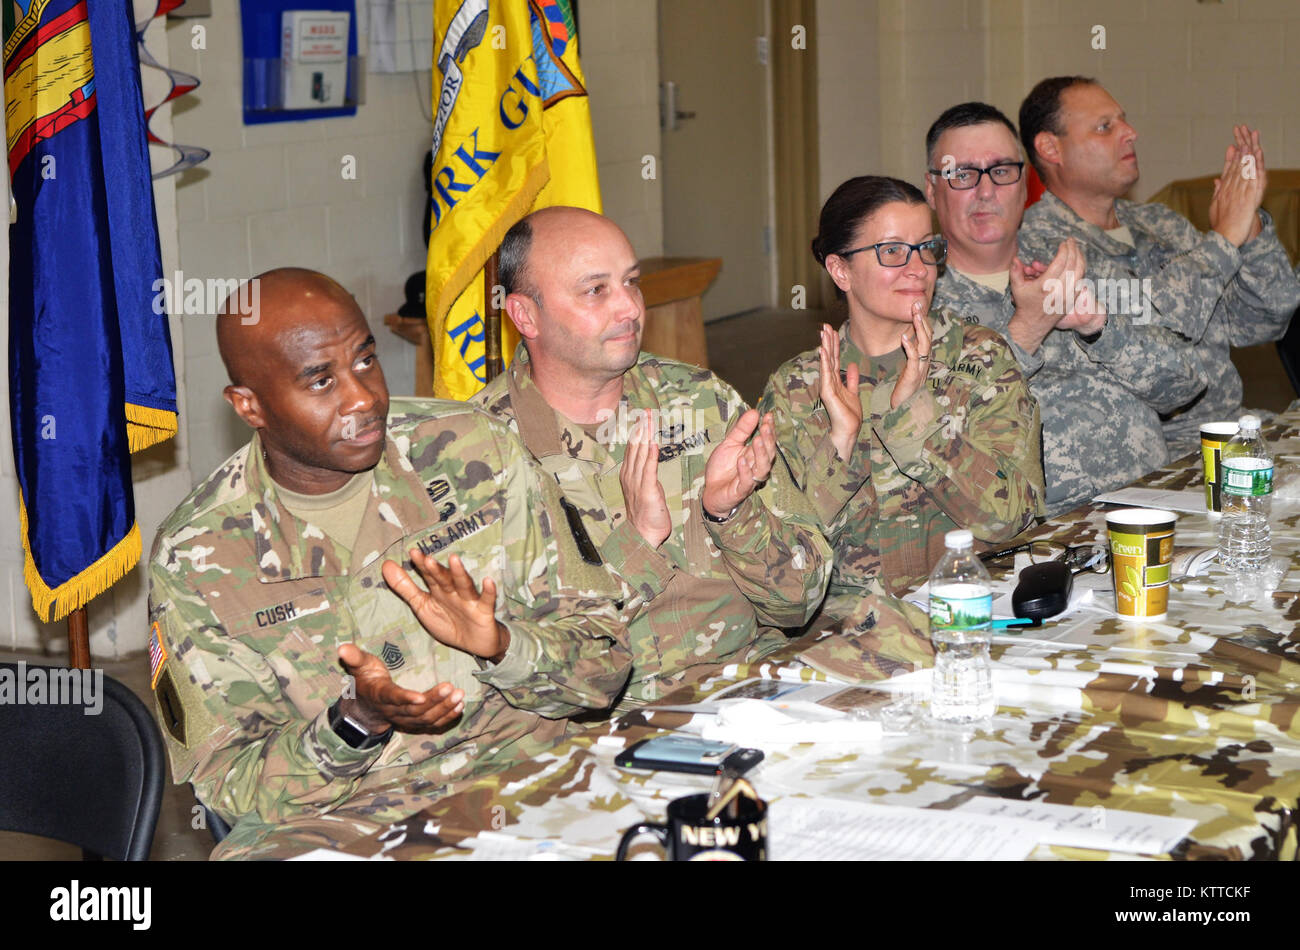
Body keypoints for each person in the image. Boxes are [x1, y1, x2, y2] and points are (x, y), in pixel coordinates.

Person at [147, 268, 630, 859]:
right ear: (250, 406)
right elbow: (232, 785)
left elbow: (605, 663)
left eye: (366, 360)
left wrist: (505, 647)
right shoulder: (199, 554)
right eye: (321, 381)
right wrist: (355, 721)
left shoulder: (473, 449)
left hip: (522, 764)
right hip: (346, 812)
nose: (364, 399)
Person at [472, 207, 835, 706]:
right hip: (605, 724)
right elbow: (538, 681)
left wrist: (732, 516)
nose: (630, 307)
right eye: (595, 290)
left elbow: (801, 601)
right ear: (525, 316)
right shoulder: (482, 454)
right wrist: (637, 547)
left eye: (632, 282)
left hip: (752, 686)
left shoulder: (700, 400)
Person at [759, 176, 1044, 614]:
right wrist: (839, 443)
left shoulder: (978, 358)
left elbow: (1011, 518)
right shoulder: (796, 388)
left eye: (927, 248)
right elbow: (782, 570)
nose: (919, 268)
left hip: (968, 609)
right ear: (840, 270)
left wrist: (915, 419)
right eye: (892, 251)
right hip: (848, 627)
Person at [925, 102, 1208, 514]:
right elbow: (932, 434)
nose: (985, 192)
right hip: (1046, 533)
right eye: (962, 175)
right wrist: (1026, 328)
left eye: (1001, 171)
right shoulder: (915, 300)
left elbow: (1186, 383)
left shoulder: (1078, 261)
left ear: (1025, 184)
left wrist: (1099, 326)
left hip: (1156, 508)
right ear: (932, 189)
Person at [1018, 76, 1300, 455]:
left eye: (1124, 120)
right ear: (1051, 148)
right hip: (1156, 453)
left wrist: (1249, 232)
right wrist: (1223, 241)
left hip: (1230, 429)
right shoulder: (1042, 247)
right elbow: (1162, 327)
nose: (1130, 133)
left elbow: (1262, 321)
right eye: (1105, 127)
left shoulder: (1159, 222)